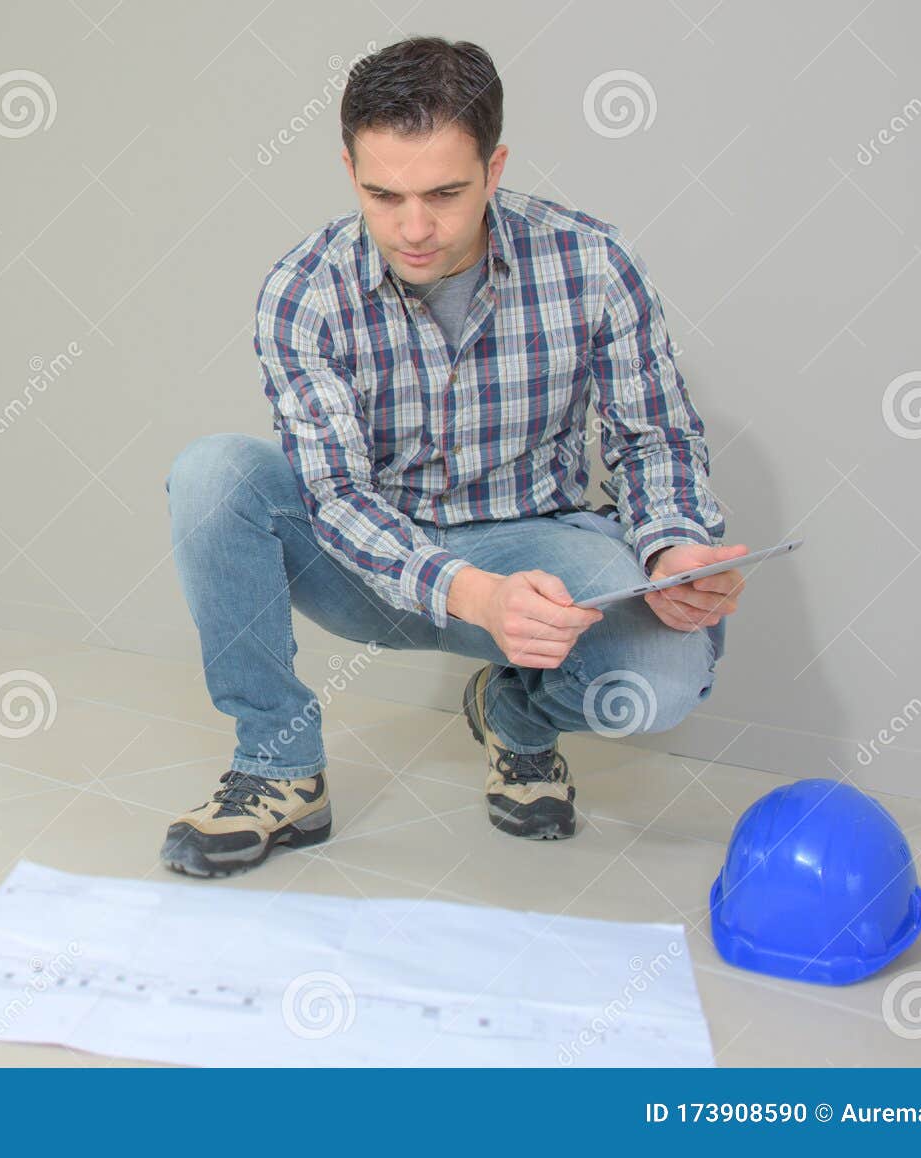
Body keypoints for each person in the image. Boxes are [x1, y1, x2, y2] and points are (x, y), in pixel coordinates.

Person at [160, 36, 748, 878]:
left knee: (668, 675)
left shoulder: (593, 263)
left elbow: (652, 436)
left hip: (535, 554)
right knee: (213, 473)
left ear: (495, 166)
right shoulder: (305, 290)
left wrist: (673, 544)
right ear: (349, 167)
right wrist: (471, 593)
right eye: (382, 194)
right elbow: (332, 494)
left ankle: (518, 717)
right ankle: (278, 768)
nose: (415, 228)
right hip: (366, 563)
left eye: (445, 192)